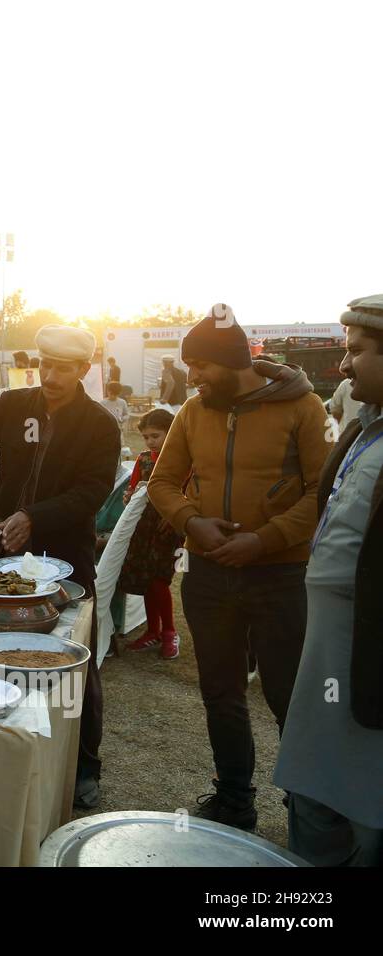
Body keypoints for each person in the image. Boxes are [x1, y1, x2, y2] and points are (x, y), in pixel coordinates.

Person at [0, 325, 120, 808]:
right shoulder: (15, 405)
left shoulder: (100, 424)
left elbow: (92, 492)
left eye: (63, 368)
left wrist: (35, 516)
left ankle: (82, 764)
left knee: (73, 660)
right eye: (45, 364)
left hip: (66, 560)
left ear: (83, 370)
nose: (50, 375)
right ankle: (0, 751)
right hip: (3, 561)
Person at [147, 313, 329, 831]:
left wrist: (263, 540)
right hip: (208, 575)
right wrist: (192, 523)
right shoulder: (192, 411)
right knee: (220, 691)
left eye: (200, 365)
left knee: (287, 693)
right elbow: (163, 484)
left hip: (279, 577)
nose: (193, 377)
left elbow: (324, 492)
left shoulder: (303, 406)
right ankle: (234, 799)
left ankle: (310, 807)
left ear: (231, 362)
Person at [274, 298, 383, 866]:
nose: (343, 367)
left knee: (365, 797)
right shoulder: (363, 432)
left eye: (356, 352)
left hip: (368, 653)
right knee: (314, 779)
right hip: (328, 646)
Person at [119, 408, 184, 659]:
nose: (150, 441)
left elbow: (189, 493)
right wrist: (128, 496)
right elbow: (133, 489)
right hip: (144, 526)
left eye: (155, 435)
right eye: (146, 436)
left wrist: (174, 518)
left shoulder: (183, 459)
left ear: (171, 432)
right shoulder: (144, 459)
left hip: (170, 528)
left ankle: (169, 631)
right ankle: (153, 630)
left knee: (160, 579)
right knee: (146, 579)